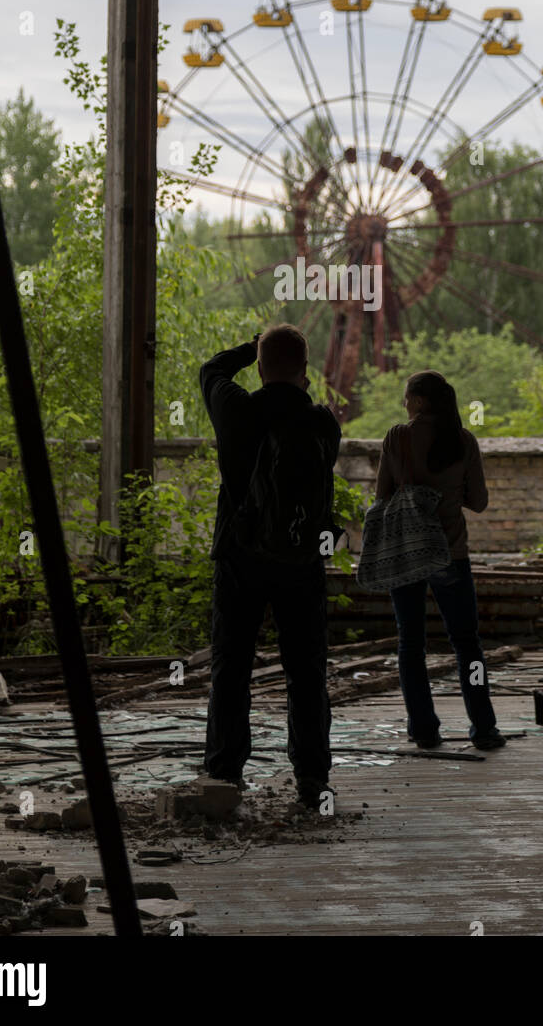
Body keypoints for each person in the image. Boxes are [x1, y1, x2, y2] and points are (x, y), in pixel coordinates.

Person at [199, 323, 341, 808]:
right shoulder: (323, 423)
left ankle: (224, 772)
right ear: (306, 371)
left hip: (240, 558)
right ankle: (312, 778)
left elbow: (211, 369)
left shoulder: (235, 409)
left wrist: (251, 343)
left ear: (259, 367)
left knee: (232, 665)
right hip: (302, 560)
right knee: (306, 670)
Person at [375, 370, 506, 752]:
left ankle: (424, 728)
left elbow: (382, 498)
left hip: (407, 554)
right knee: (467, 643)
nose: (404, 404)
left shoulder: (397, 438)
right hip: (451, 553)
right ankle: (484, 727)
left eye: (406, 397)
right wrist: (449, 493)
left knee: (411, 643)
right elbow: (479, 502)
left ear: (417, 400)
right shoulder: (463, 440)